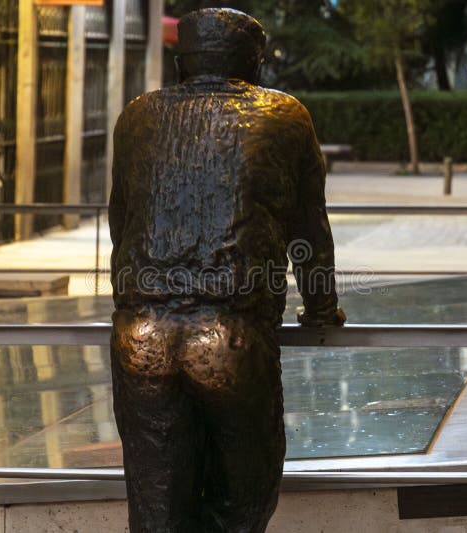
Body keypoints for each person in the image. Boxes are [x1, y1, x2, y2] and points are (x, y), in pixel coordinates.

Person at [108, 8, 345, 532]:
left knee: (156, 508)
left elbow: (120, 220)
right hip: (231, 336)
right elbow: (309, 229)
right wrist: (322, 307)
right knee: (242, 502)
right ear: (255, 66)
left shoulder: (137, 116)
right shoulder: (285, 114)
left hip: (139, 331)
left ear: (180, 65)